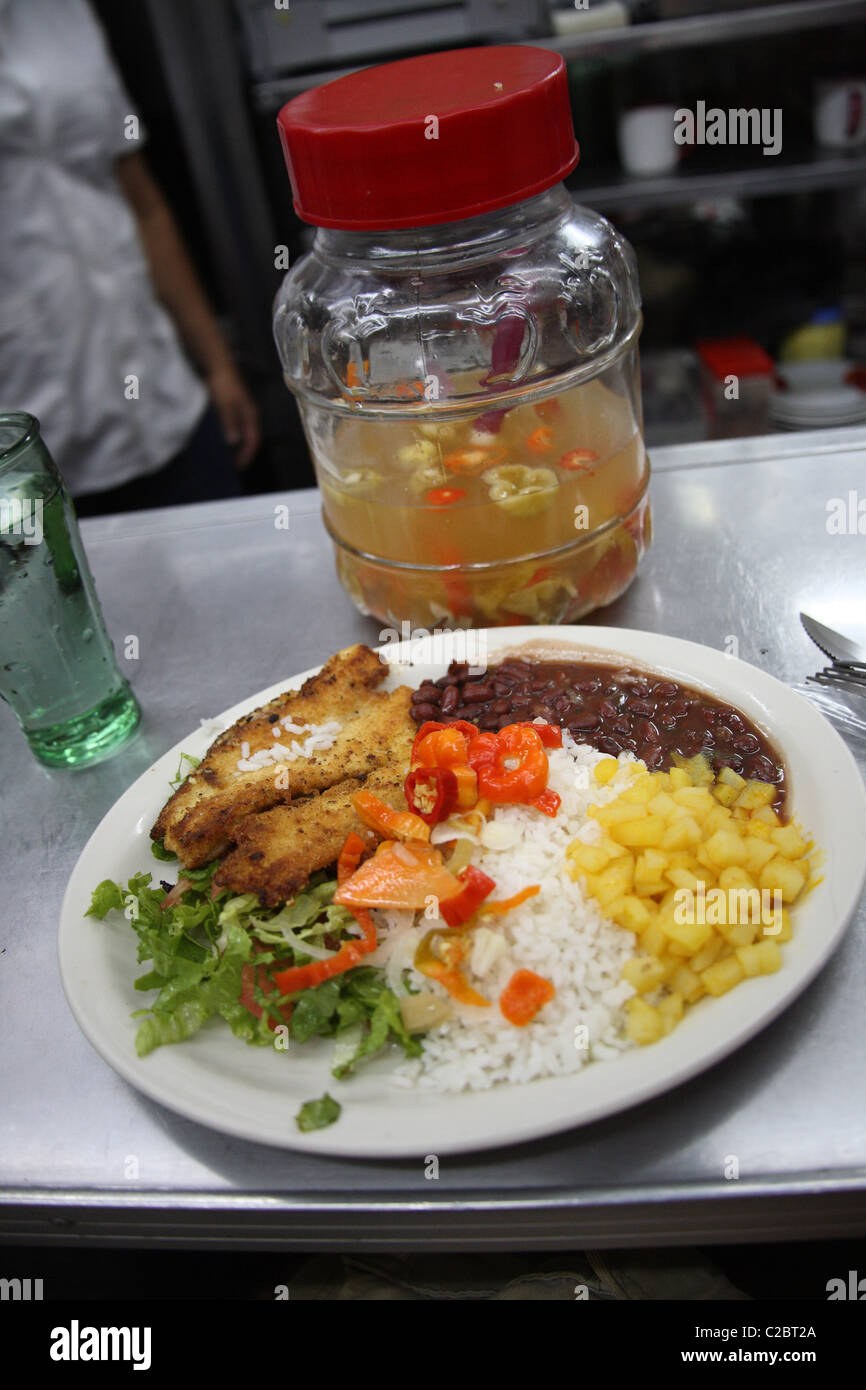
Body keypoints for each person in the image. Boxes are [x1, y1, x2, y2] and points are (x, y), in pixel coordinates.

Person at [0, 0, 260, 514]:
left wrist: (217, 363)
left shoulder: (63, 13)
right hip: (25, 465)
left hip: (169, 409)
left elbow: (143, 205)